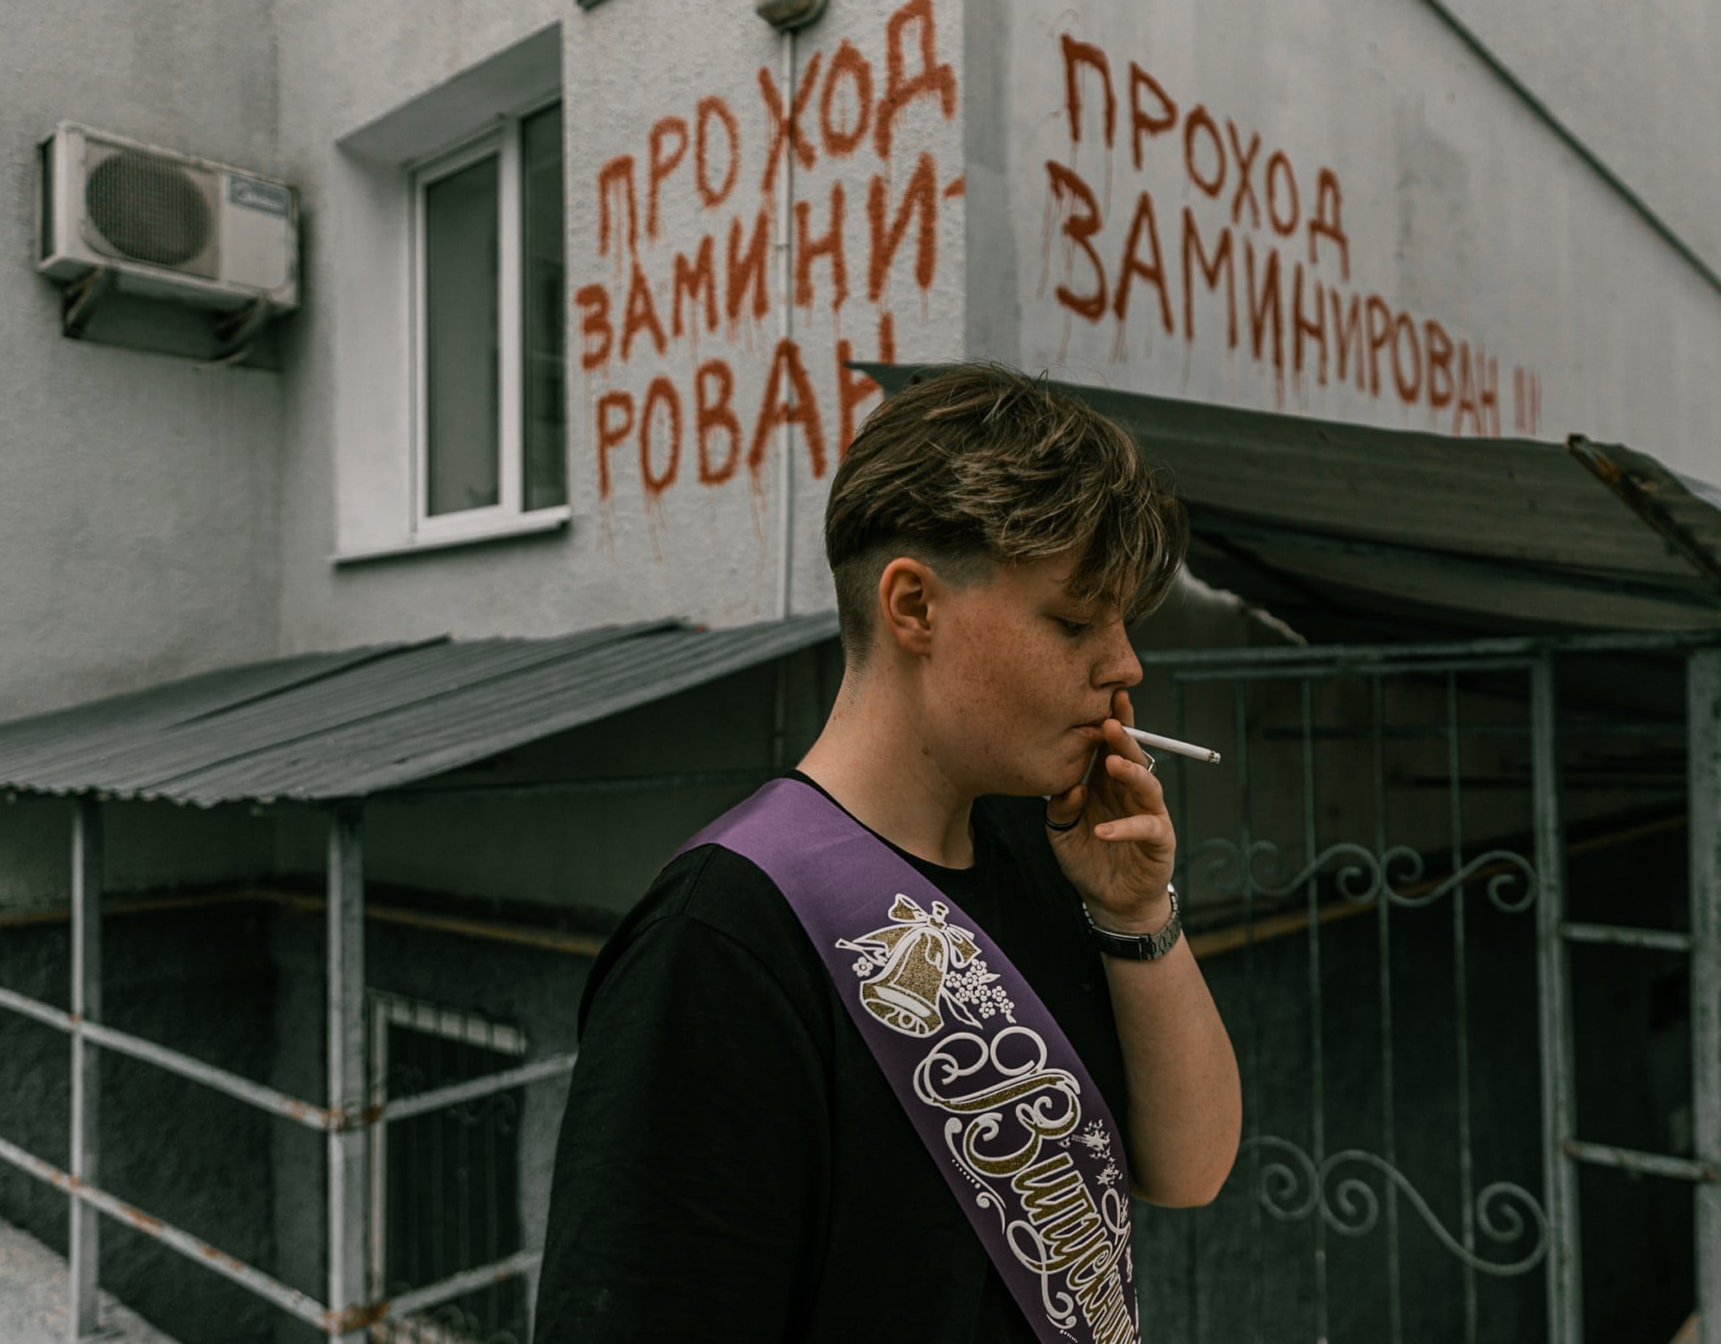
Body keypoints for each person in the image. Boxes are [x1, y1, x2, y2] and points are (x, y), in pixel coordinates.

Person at [532, 363, 1241, 1342]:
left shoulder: (1044, 844)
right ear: (913, 607)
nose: (1124, 665)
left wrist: (1137, 916)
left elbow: (1189, 1168)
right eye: (1074, 620)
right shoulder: (718, 940)